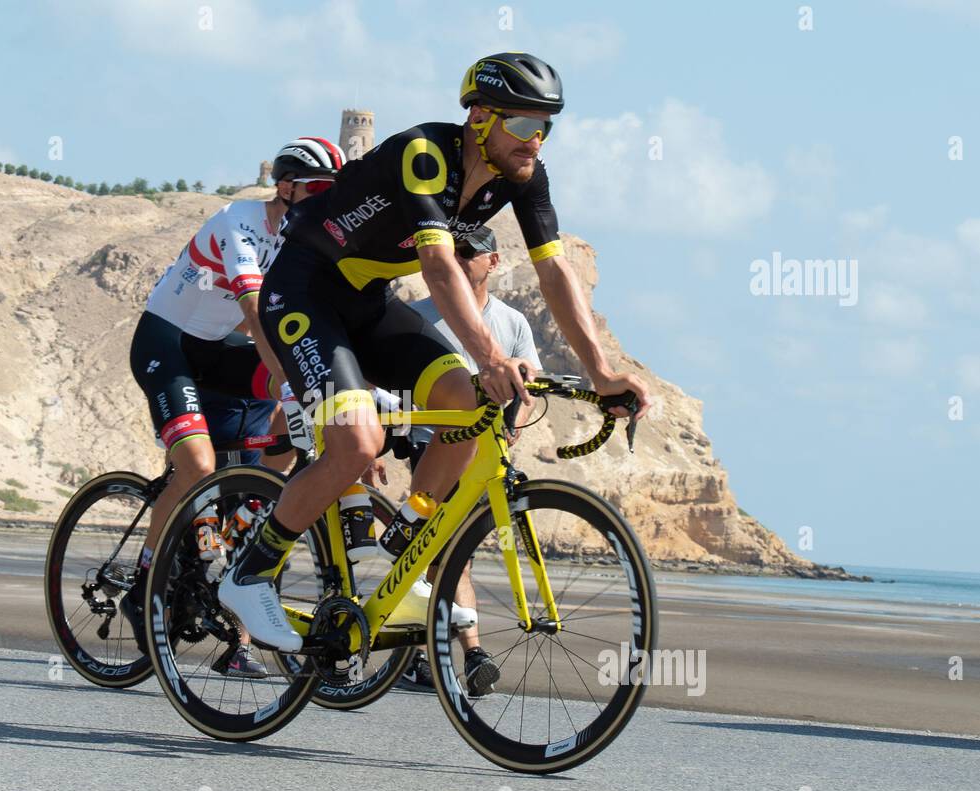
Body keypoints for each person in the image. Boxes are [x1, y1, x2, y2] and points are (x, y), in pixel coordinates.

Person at [219, 51, 652, 659]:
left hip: (366, 303)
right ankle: (249, 575)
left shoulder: (526, 178)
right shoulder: (424, 154)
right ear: (480, 117)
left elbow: (553, 273)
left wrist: (601, 373)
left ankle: (404, 551)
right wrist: (490, 354)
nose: (537, 140)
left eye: (546, 126)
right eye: (525, 125)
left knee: (465, 406)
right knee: (358, 443)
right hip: (303, 293)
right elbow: (437, 264)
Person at [120, 137, 347, 676]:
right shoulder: (237, 222)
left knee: (294, 434)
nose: (322, 201)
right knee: (196, 465)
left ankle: (239, 524)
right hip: (168, 342)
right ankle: (145, 582)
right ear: (285, 188)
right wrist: (293, 386)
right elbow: (256, 313)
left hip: (221, 350)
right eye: (315, 190)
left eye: (331, 194)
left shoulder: (305, 237)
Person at [394, 225, 542, 695]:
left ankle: (441, 651)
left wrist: (520, 415)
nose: (457, 260)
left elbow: (528, 381)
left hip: (485, 447)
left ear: (492, 262)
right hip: (428, 440)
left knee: (453, 553)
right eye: (451, 252)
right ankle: (459, 651)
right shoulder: (415, 315)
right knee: (437, 547)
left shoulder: (512, 322)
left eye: (468, 253)